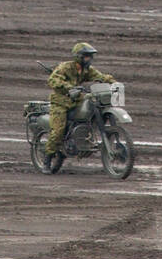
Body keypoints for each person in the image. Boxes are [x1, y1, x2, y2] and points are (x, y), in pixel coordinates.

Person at [44, 42, 116, 170]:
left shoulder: (86, 69)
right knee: (58, 131)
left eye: (90, 57)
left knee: (93, 107)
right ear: (79, 56)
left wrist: (114, 83)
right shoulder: (66, 67)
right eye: (87, 56)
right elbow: (52, 80)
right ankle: (47, 159)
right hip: (61, 102)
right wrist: (69, 87)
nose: (89, 59)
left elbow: (100, 76)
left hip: (77, 99)